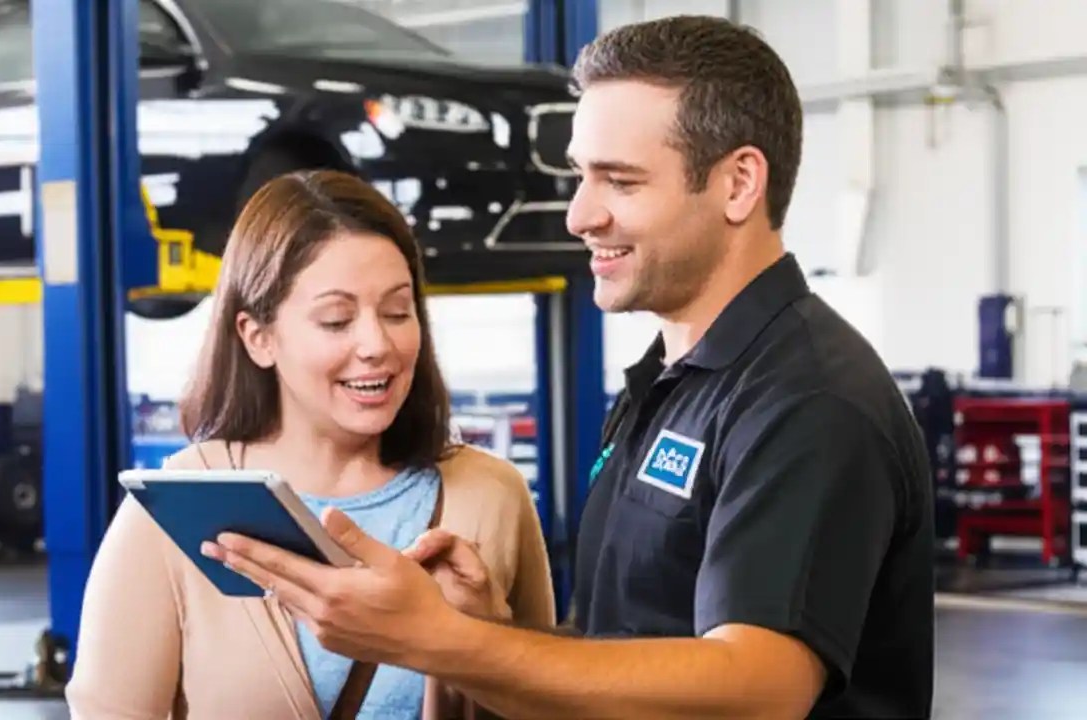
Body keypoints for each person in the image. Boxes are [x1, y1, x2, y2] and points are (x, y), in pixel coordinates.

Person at [205, 15, 937, 720]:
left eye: (620, 181)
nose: (578, 214)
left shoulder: (807, 399)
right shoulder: (672, 384)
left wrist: (445, 643)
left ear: (739, 184)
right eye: (581, 176)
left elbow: (757, 687)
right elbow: (626, 655)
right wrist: (486, 628)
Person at [65, 170, 556, 719]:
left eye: (397, 312)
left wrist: (480, 638)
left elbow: (557, 703)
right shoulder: (173, 510)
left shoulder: (490, 497)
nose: (376, 344)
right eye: (336, 320)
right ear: (259, 337)